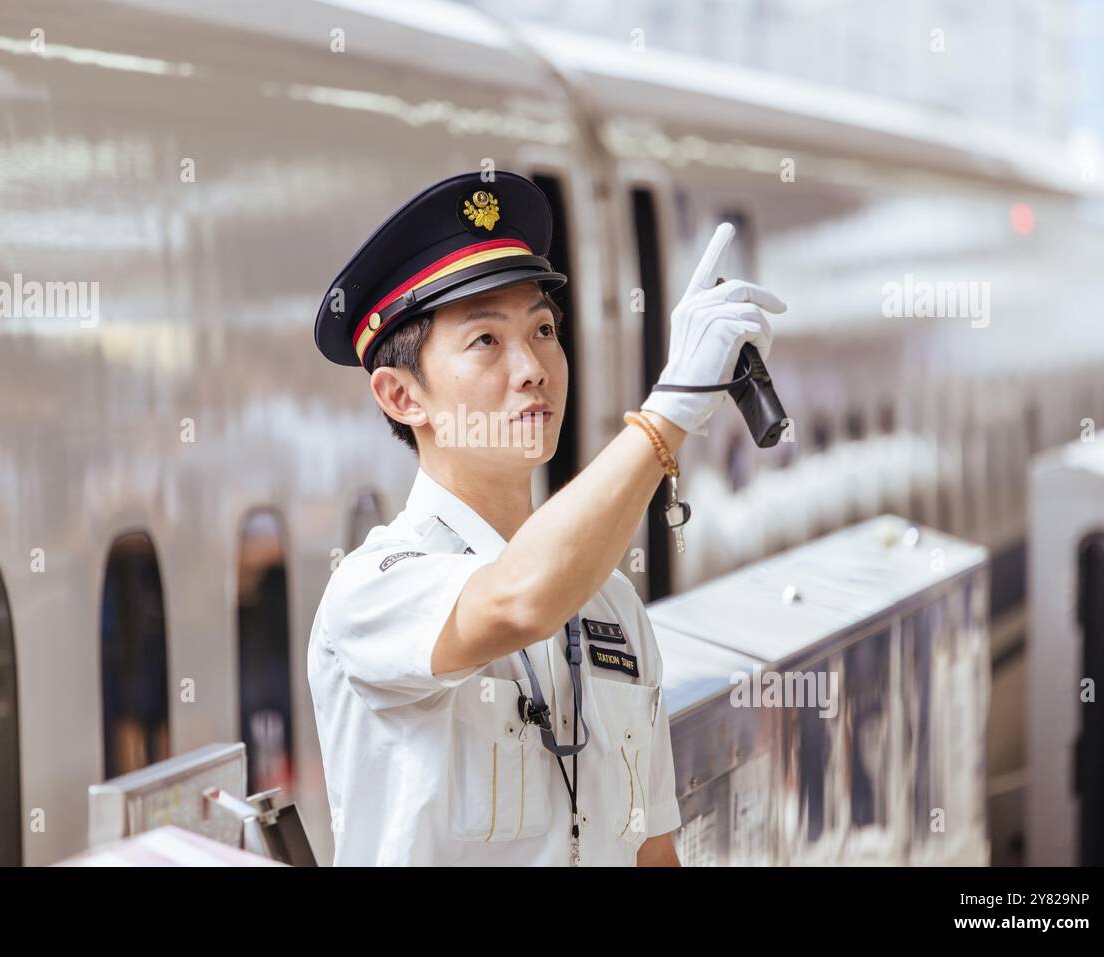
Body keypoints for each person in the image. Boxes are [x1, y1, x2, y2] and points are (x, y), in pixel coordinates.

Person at [307, 171, 783, 866]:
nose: (533, 366)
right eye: (486, 342)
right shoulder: (372, 589)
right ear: (402, 394)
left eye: (543, 328)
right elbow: (518, 600)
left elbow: (652, 851)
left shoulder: (614, 605)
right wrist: (669, 413)